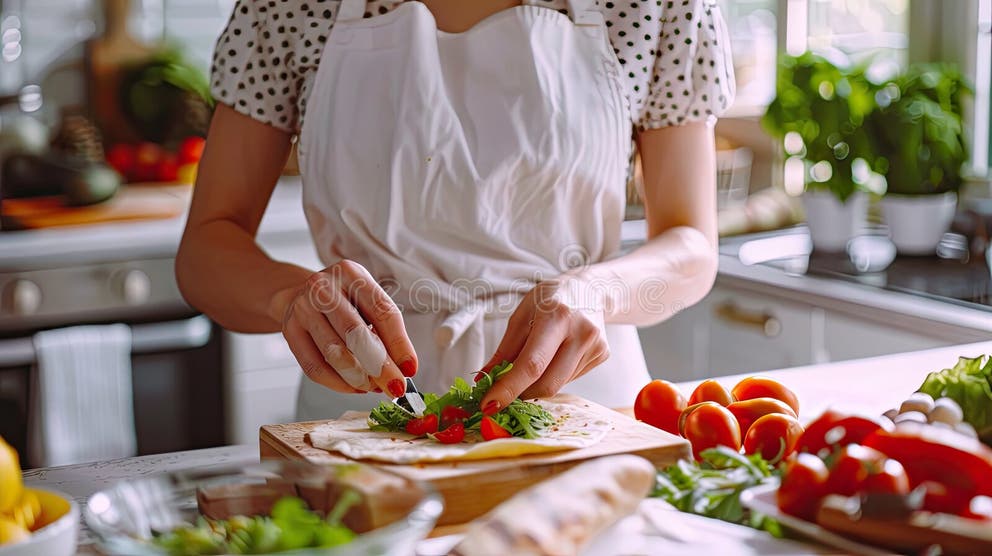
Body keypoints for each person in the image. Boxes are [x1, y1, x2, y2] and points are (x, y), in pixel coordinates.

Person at [176, 0, 734, 420]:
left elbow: (691, 243)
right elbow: (207, 246)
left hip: (576, 407)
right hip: (360, 410)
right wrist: (289, 297)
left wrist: (597, 290)